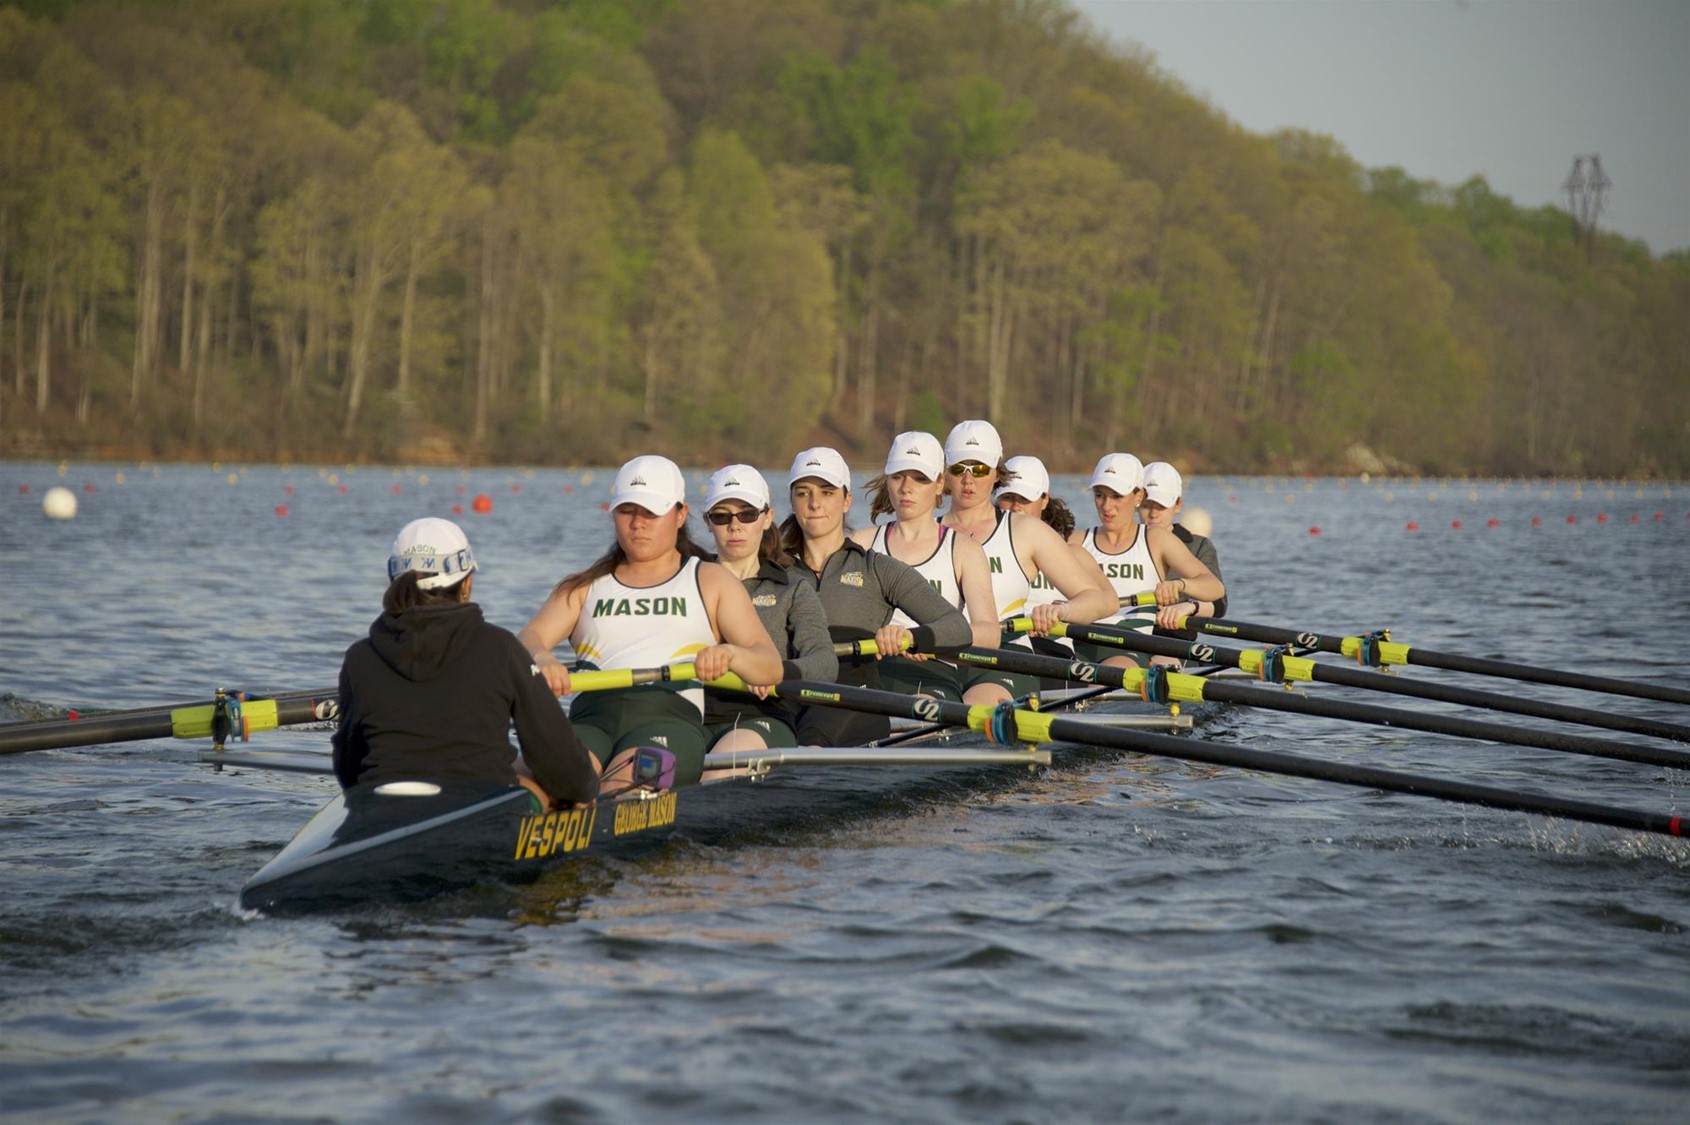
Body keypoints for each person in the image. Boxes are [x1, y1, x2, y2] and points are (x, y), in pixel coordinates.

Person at [517, 455, 784, 786]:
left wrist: (730, 656)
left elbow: (770, 666)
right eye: (627, 511)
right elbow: (527, 639)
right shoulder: (583, 586)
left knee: (623, 780)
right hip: (591, 721)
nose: (637, 523)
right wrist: (542, 658)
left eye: (650, 512)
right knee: (529, 782)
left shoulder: (710, 580)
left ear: (680, 514)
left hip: (669, 721)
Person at [332, 517, 599, 809]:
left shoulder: (359, 658)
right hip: (481, 812)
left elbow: (349, 770)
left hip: (381, 810)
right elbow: (562, 765)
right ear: (466, 584)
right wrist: (586, 786)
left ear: (394, 581)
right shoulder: (501, 649)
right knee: (567, 794)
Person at [781, 445, 973, 744]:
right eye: (803, 493)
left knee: (811, 739)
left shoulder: (877, 568)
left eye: (827, 492)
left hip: (852, 697)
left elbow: (957, 627)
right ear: (791, 501)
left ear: (847, 501)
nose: (815, 503)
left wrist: (910, 638)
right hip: (787, 691)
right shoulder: (775, 574)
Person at [938, 421, 1117, 703]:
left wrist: (1062, 610)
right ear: (945, 473)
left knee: (972, 715)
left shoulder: (1026, 531)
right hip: (935, 655)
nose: (968, 479)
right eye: (959, 468)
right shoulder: (922, 532)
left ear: (997, 473)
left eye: (980, 469)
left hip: (1003, 655)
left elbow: (1097, 599)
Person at [850, 431, 1001, 703]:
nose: (906, 488)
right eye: (898, 477)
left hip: (931, 673)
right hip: (866, 669)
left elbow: (989, 633)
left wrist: (922, 637)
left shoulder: (963, 550)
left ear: (939, 483)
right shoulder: (860, 542)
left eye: (920, 479)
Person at [701, 463, 838, 753]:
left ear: (767, 519)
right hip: (691, 715)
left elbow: (825, 663)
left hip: (761, 716)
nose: (735, 525)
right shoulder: (687, 582)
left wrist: (774, 672)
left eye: (747, 514)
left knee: (718, 767)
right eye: (722, 516)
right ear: (707, 521)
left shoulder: (793, 589)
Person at [1072, 452, 1225, 668]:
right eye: (1099, 495)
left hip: (1131, 648)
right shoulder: (1075, 540)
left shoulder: (1157, 540)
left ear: (1137, 496)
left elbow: (1215, 589)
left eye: (1116, 496)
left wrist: (1181, 586)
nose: (1106, 506)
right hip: (1076, 642)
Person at [993, 454, 1113, 662]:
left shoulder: (1072, 553)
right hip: (1000, 645)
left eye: (1024, 499)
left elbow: (1109, 602)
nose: (1015, 507)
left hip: (1051, 650)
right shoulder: (976, 550)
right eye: (1008, 498)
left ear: (1044, 500)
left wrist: (1062, 611)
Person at [1140, 461, 1227, 624]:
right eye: (1146, 506)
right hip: (1129, 634)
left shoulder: (1199, 546)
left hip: (1175, 638)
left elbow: (1219, 604)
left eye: (1161, 506)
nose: (1153, 514)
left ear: (1178, 505)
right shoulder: (1124, 542)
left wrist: (1189, 606)